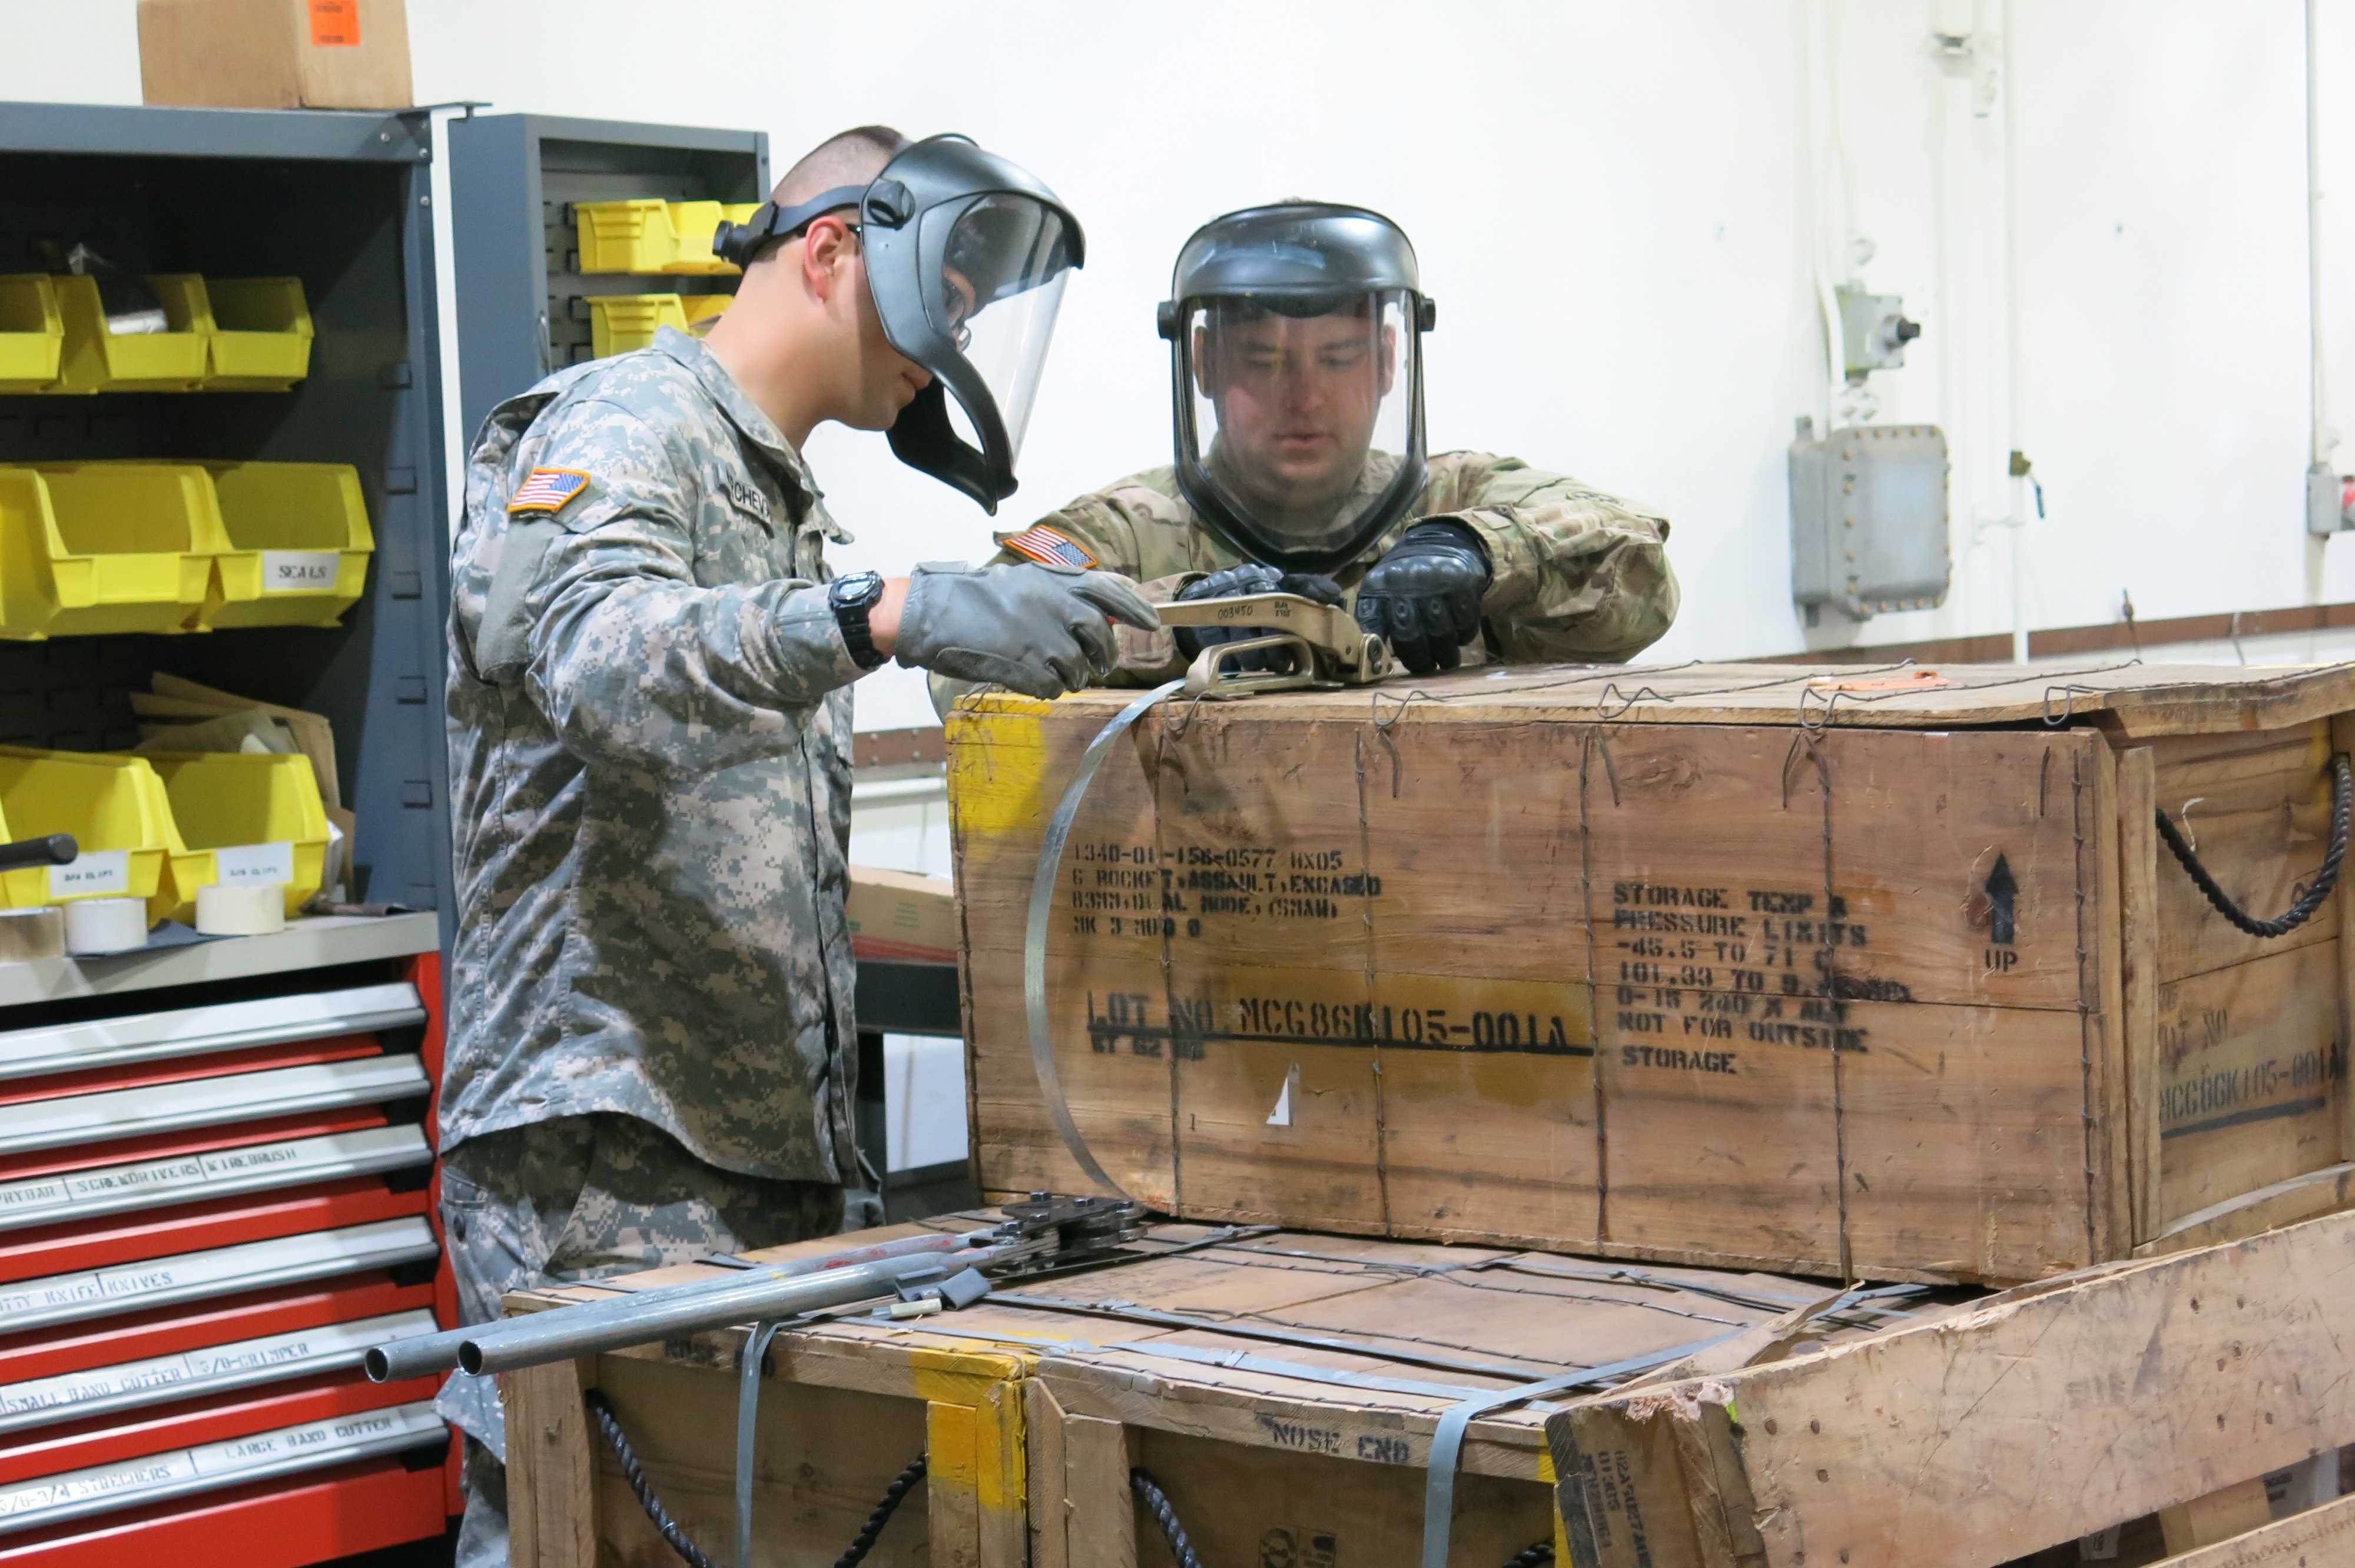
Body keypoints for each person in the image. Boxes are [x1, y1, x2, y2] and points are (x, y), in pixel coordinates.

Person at [437, 125, 1154, 1564]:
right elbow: (596, 655)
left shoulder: (775, 487)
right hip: (609, 1150)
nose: (949, 341)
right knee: (582, 1536)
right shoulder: (623, 422)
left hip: (746, 1145)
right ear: (833, 248)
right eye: (941, 296)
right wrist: (875, 612)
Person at [966, 201, 1677, 687]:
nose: (1304, 396)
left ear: (1389, 362)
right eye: (1263, 363)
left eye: (1338, 359)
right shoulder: (1126, 528)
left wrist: (1478, 552)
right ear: (1204, 365)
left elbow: (1642, 580)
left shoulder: (1454, 497)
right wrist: (1181, 625)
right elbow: (967, 649)